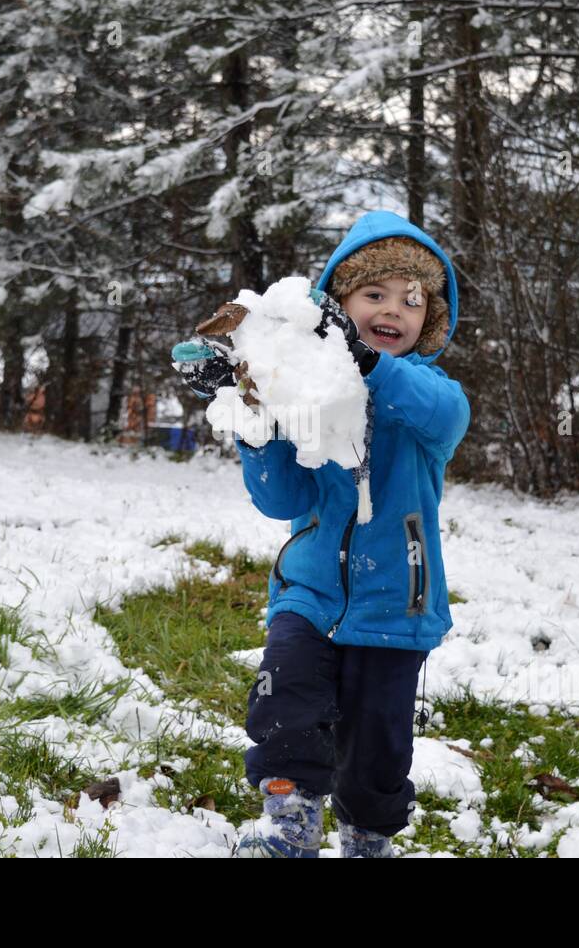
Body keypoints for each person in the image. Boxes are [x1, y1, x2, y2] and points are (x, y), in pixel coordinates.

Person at [172, 210, 470, 857]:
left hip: (397, 600)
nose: (393, 309)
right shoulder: (309, 396)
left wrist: (366, 364)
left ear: (430, 321)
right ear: (338, 305)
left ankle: (366, 834)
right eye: (374, 295)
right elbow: (283, 496)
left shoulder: (433, 396)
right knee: (286, 706)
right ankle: (289, 820)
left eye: (411, 300)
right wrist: (253, 410)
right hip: (307, 592)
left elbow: (441, 415)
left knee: (378, 746)